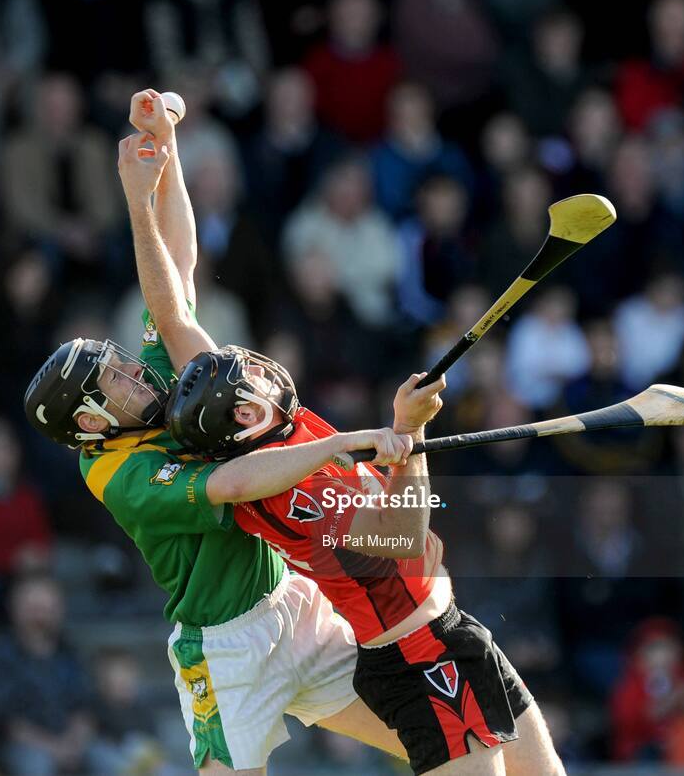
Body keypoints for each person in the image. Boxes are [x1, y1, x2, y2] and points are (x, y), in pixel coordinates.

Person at [132, 94, 564, 774]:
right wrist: (409, 436)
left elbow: (172, 293)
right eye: (248, 375)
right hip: (417, 660)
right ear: (246, 416)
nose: (256, 367)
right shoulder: (282, 491)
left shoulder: (270, 422)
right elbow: (401, 539)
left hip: (459, 635)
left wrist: (164, 155)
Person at [24, 90, 415, 774]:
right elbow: (232, 482)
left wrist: (164, 152)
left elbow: (176, 273)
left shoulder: (147, 390)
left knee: (425, 733)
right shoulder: (115, 472)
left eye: (122, 360)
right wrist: (336, 442)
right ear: (91, 420)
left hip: (293, 600)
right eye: (114, 376)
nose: (134, 371)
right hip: (224, 648)